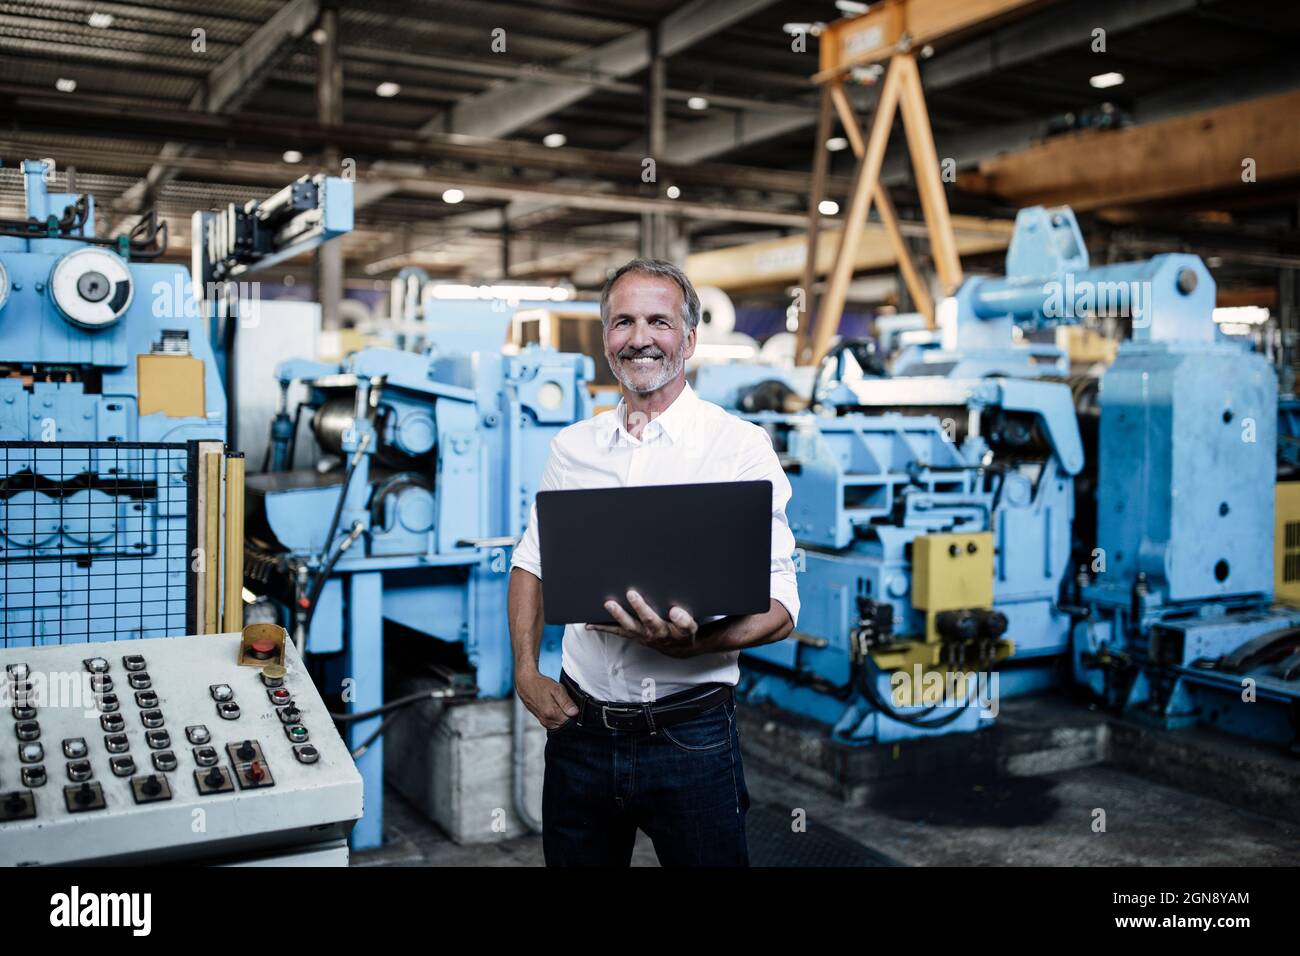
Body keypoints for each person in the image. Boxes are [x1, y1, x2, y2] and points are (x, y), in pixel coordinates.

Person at [508, 258, 799, 867]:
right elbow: (531, 564)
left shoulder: (738, 447)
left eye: (659, 321)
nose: (639, 337)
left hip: (690, 738)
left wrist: (697, 645)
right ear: (606, 339)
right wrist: (527, 673)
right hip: (581, 732)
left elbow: (782, 605)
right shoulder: (573, 448)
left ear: (689, 339)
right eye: (623, 322)